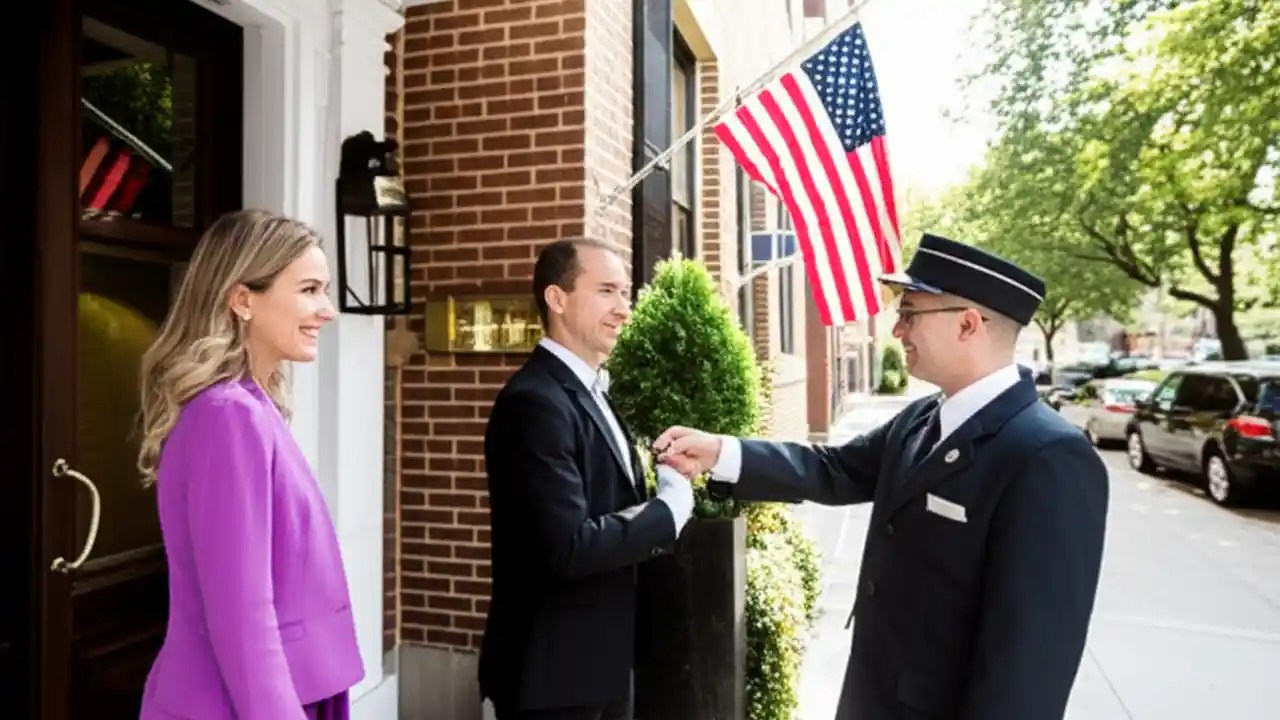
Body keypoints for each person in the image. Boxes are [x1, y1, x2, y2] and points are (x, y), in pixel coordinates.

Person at [656, 233, 1109, 720]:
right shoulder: (922, 419)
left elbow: (1027, 669)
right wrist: (720, 452)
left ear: (968, 324)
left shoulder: (1048, 456)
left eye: (910, 312)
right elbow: (834, 470)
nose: (897, 330)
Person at [136, 209, 362, 720]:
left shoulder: (249, 405)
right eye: (308, 289)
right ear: (242, 300)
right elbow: (241, 616)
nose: (327, 309)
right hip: (238, 700)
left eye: (324, 290)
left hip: (282, 685)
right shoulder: (227, 415)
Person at [479, 237, 694, 720]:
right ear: (557, 299)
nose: (624, 309)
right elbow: (567, 546)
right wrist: (668, 510)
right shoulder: (533, 402)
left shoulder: (590, 389)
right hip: (554, 679)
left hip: (604, 663)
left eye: (626, 294)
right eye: (607, 292)